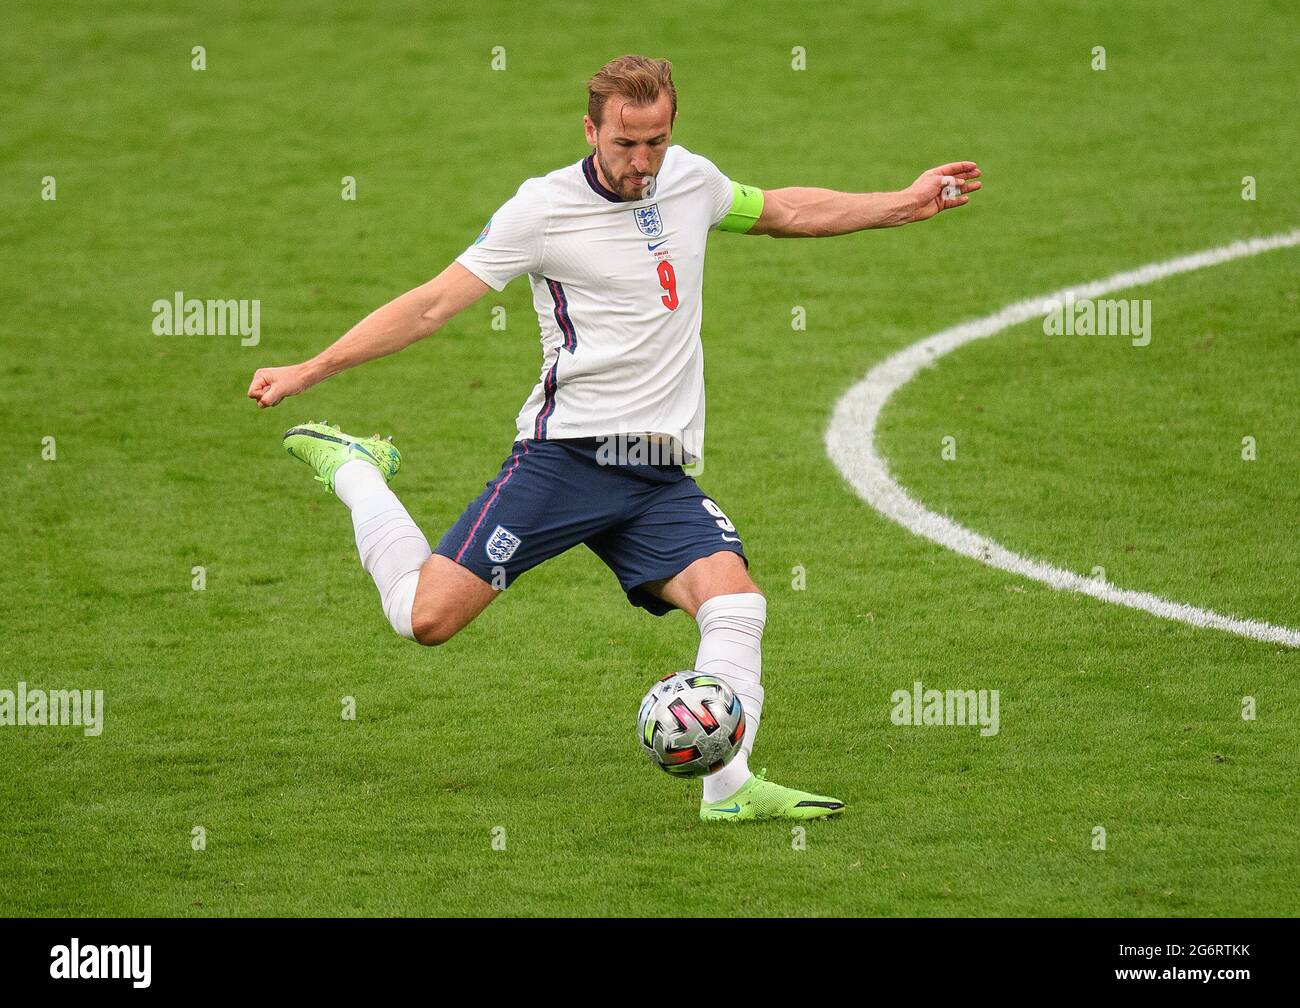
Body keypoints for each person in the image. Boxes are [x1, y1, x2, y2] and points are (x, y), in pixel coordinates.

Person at [247, 54, 980, 822]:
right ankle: (358, 470)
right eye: (626, 144)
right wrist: (312, 367)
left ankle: (728, 793)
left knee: (737, 604)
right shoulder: (542, 211)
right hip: (566, 460)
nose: (642, 162)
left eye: (656, 141)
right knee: (424, 619)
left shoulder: (689, 181)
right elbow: (432, 305)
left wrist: (903, 202)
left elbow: (784, 212)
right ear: (591, 129)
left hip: (656, 470)